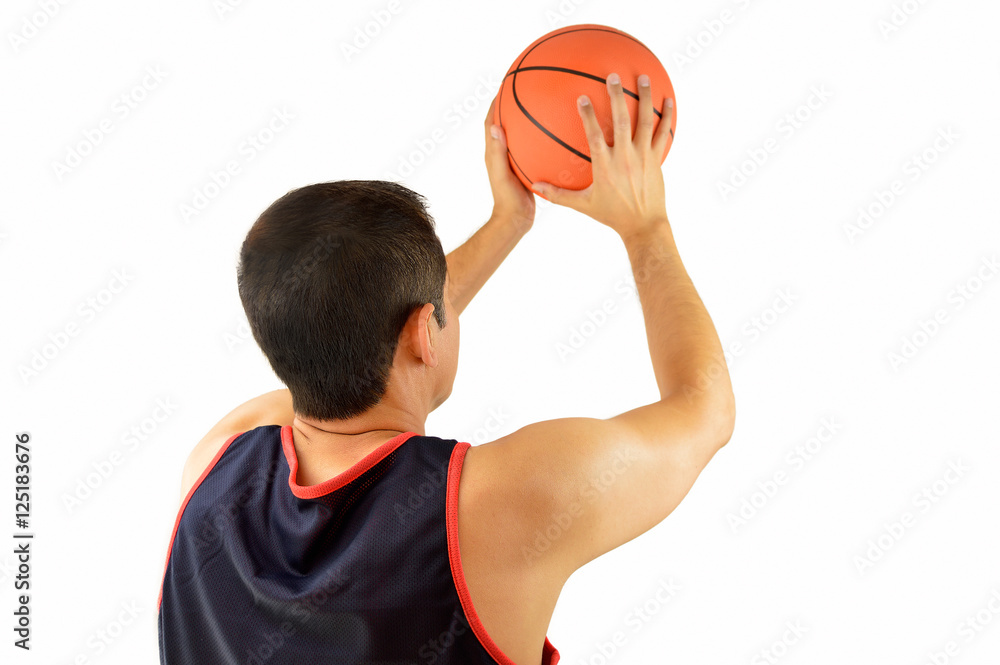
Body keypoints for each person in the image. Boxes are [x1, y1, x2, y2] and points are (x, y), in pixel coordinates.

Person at [157, 72, 735, 665]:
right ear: (421, 333)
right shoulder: (495, 505)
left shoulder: (213, 464)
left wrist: (506, 224)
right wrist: (646, 228)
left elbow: (346, 318)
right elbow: (704, 410)